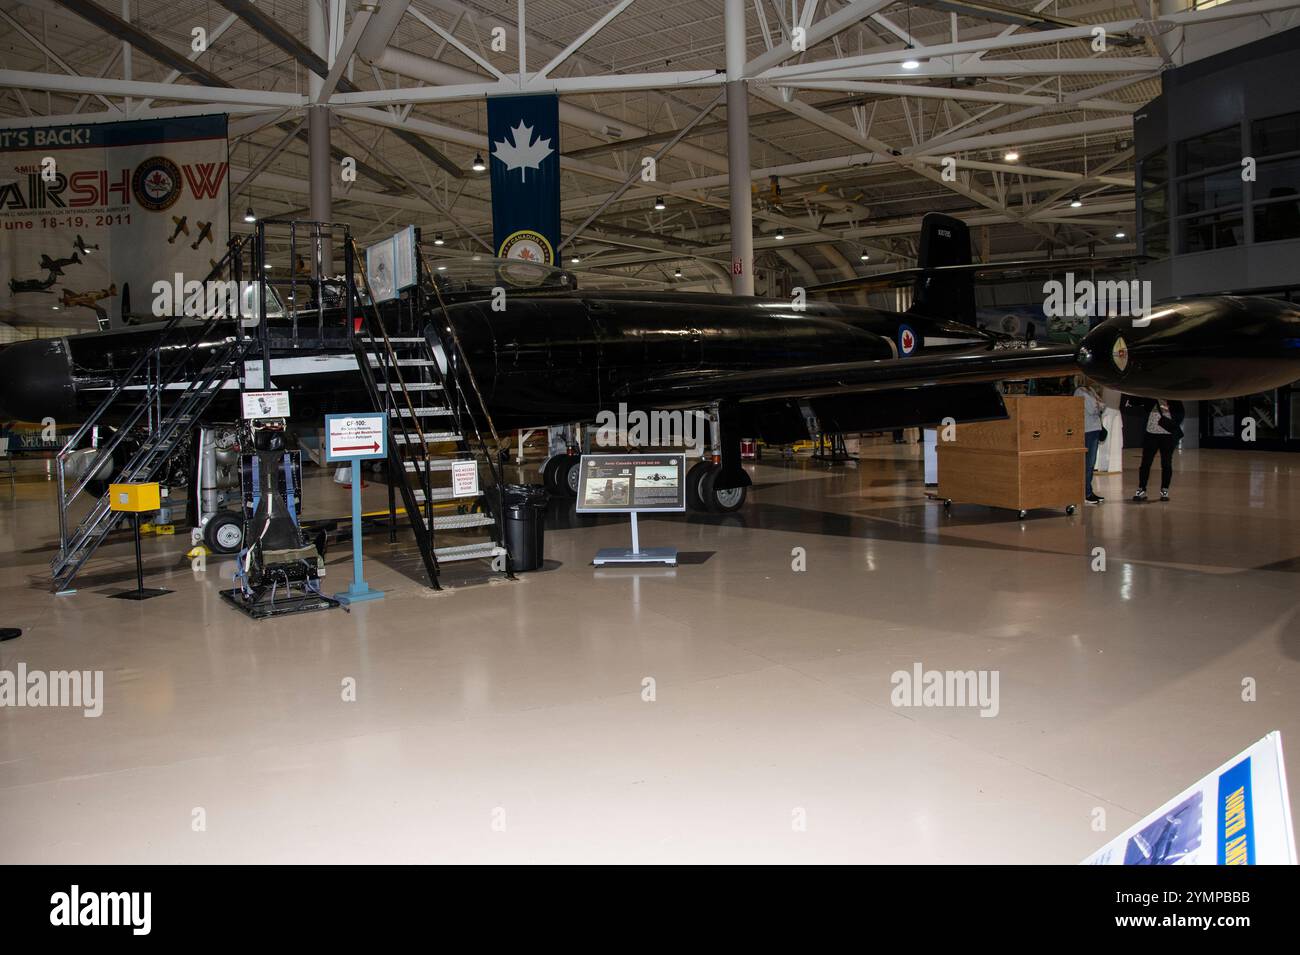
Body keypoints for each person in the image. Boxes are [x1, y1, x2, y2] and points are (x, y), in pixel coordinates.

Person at [1127, 397, 1185, 502]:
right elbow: (1135, 401)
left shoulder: (1174, 398)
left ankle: (1164, 490)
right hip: (1151, 434)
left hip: (1167, 436)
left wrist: (1171, 423)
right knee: (1145, 463)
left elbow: (1180, 414)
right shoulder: (1150, 397)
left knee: (1166, 464)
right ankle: (1141, 489)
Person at [1074, 377, 1106, 504]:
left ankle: (1088, 490)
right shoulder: (1080, 392)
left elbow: (1102, 405)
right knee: (1088, 463)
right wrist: (1098, 405)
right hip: (1087, 430)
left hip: (1095, 428)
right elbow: (1093, 408)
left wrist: (1098, 405)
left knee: (1091, 463)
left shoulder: (1091, 390)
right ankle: (1086, 493)